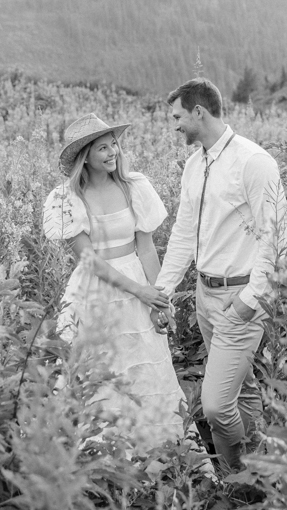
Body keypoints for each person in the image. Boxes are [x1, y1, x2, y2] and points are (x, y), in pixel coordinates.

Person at [156, 78, 287, 475]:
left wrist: (251, 300)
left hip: (239, 299)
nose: (174, 125)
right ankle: (265, 468)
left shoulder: (253, 161)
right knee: (243, 391)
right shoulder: (195, 165)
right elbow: (183, 232)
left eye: (178, 116)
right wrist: (162, 291)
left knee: (214, 407)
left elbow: (277, 234)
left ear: (199, 112)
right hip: (205, 295)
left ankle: (236, 479)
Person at [42, 114, 184, 449]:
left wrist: (161, 300)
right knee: (101, 373)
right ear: (85, 156)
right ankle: (102, 454)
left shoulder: (134, 186)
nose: (112, 153)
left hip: (139, 286)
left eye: (114, 145)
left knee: (145, 368)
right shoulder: (66, 198)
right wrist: (140, 291)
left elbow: (146, 248)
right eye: (102, 148)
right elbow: (88, 260)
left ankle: (155, 450)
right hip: (95, 290)